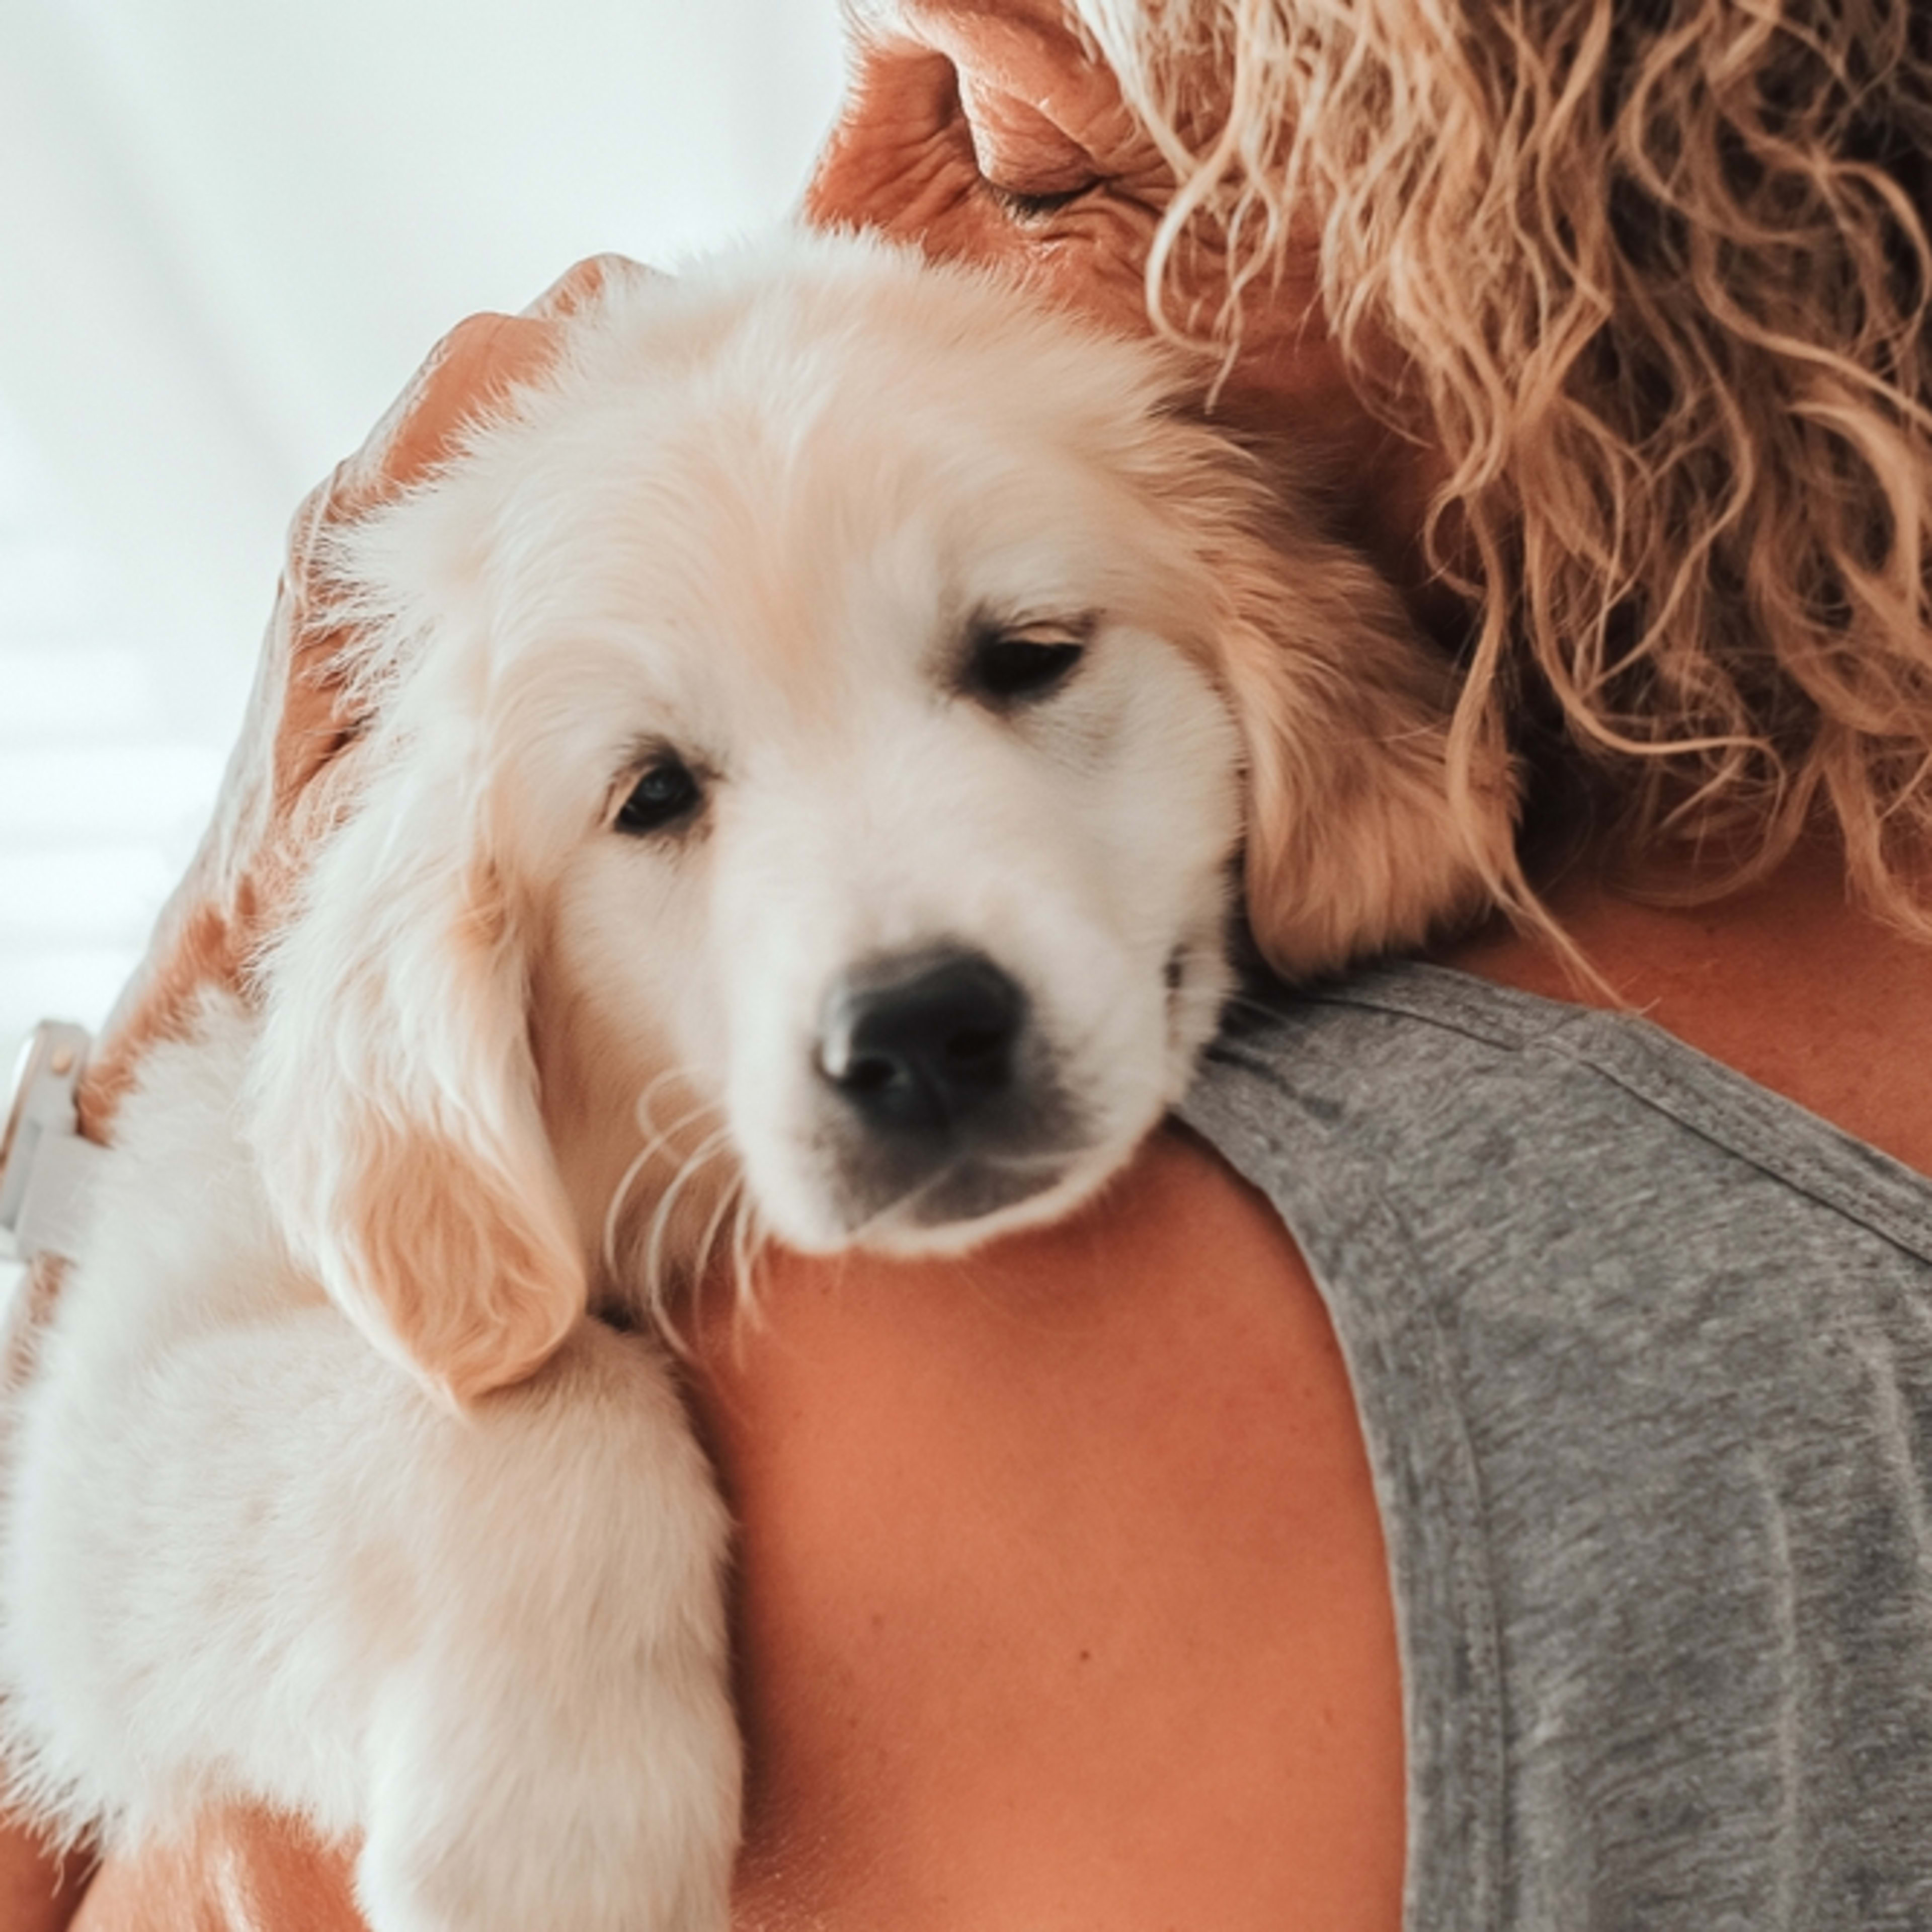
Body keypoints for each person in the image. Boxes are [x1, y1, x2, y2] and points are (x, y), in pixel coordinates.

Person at [7, 0, 1931, 1924]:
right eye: (661, 793)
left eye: (1029, 161)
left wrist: (193, 987)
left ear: (1505, 228)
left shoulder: (980, 1397)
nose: (855, 220)